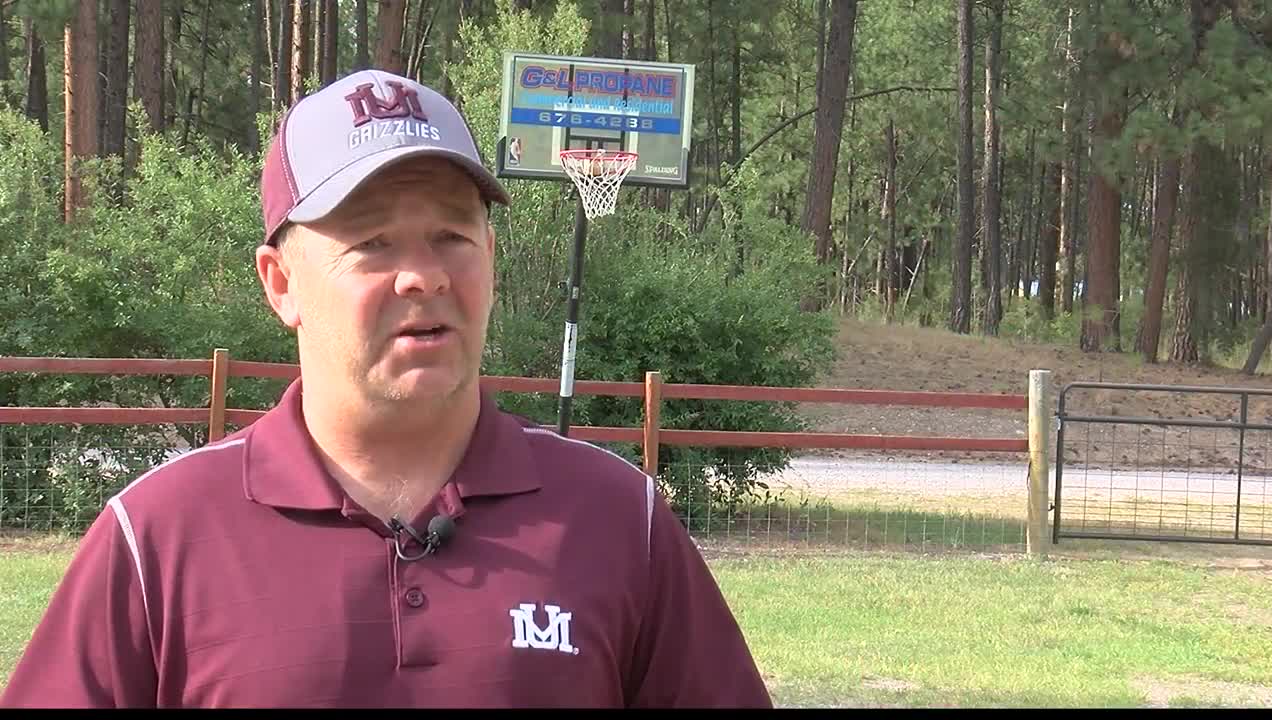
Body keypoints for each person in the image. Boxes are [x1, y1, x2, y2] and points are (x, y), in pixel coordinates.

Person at [0, 69, 773, 709]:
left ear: (491, 261)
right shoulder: (156, 538)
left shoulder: (619, 520)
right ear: (281, 283)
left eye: (452, 236)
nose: (425, 275)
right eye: (372, 243)